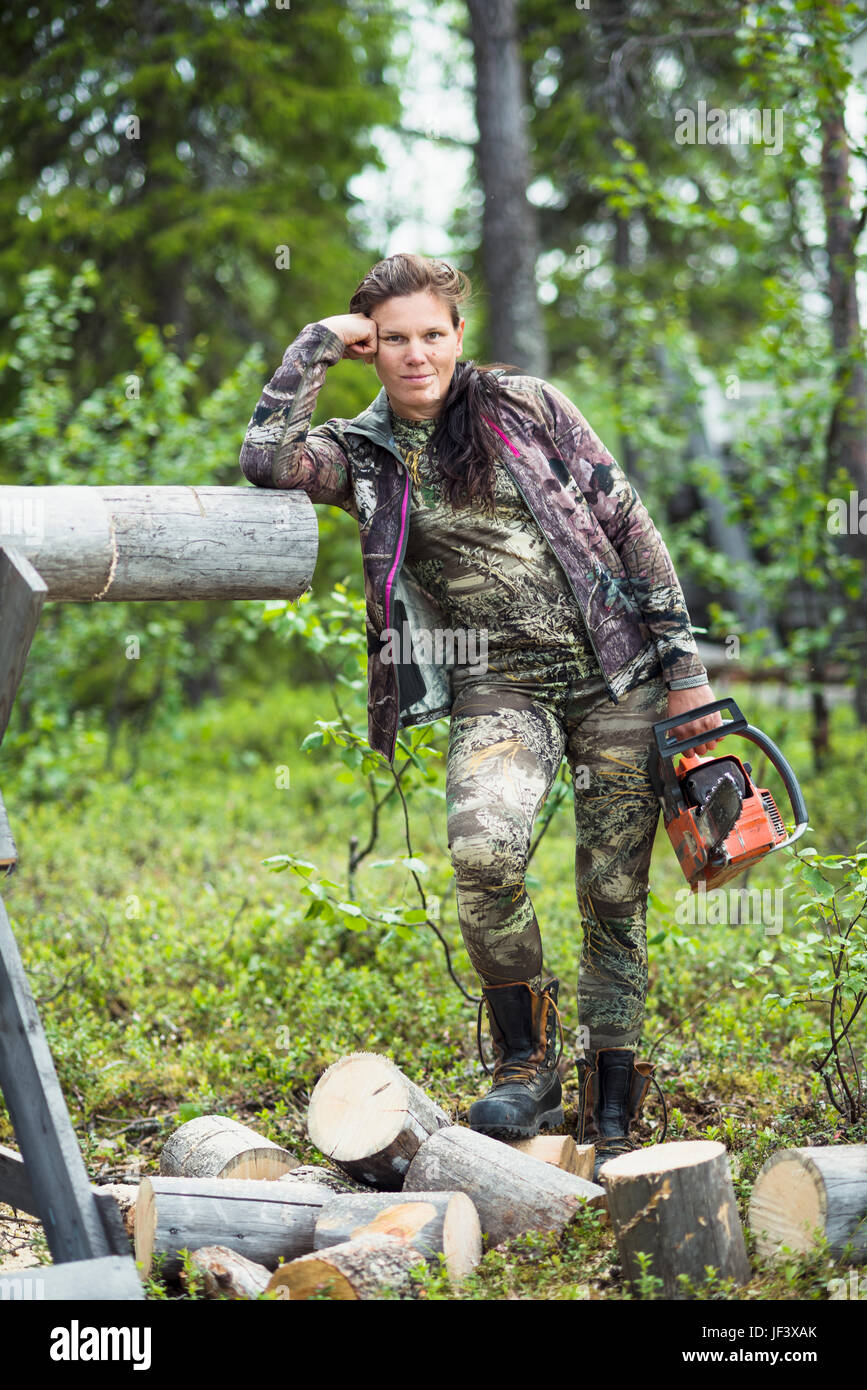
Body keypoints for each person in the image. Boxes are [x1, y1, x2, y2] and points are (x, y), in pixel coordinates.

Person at [239, 252, 724, 1176]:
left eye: (432, 334)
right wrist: (312, 346)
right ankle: (524, 1060)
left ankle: (613, 1084)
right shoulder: (360, 454)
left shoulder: (527, 407)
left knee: (612, 891)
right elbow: (266, 460)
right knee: (483, 853)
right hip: (499, 687)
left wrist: (686, 675)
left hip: (618, 675)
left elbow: (630, 526)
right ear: (368, 348)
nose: (416, 354)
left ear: (460, 336)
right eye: (392, 340)